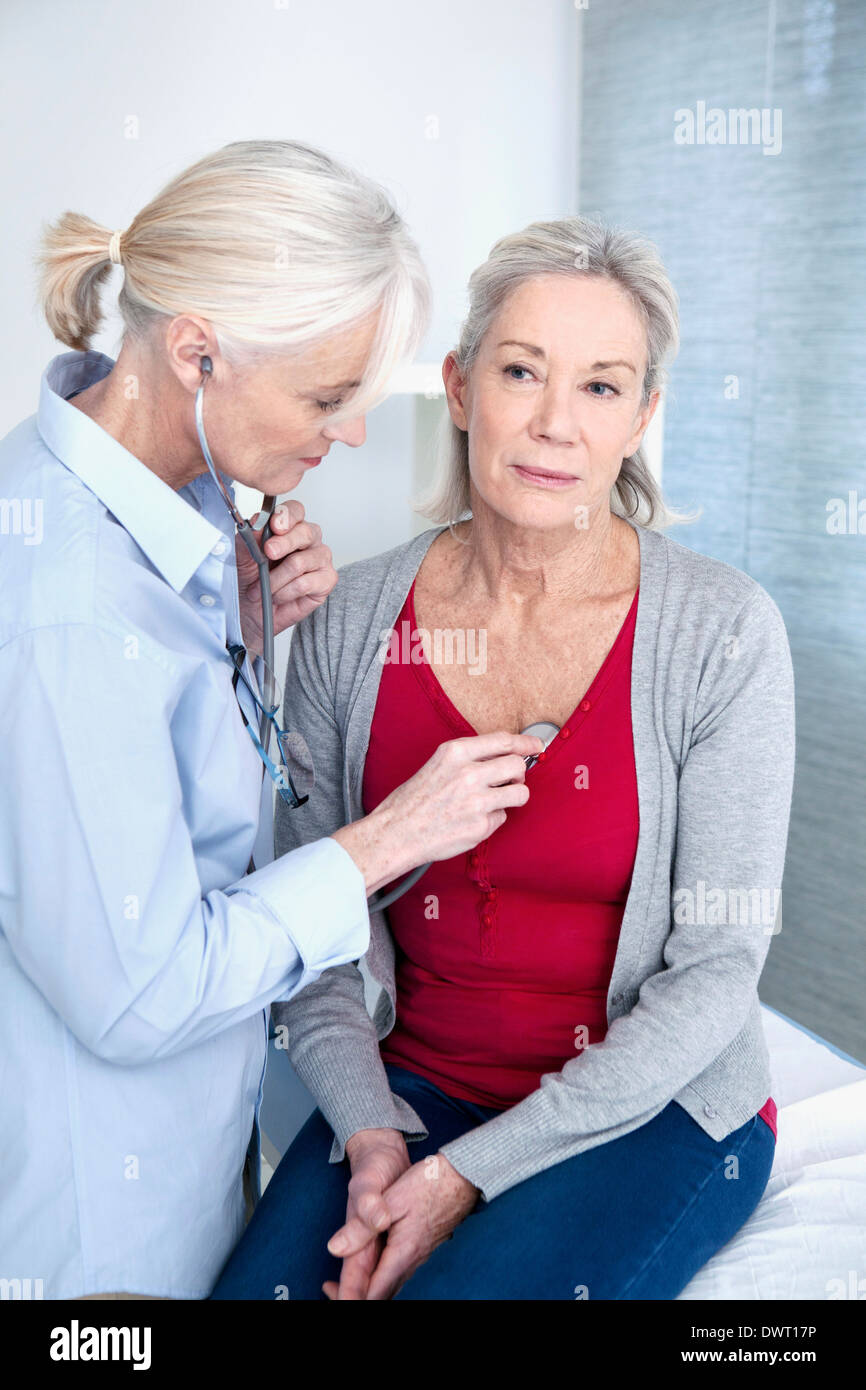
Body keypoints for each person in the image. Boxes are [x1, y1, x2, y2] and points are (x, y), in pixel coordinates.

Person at [210, 215, 795, 1301]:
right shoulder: (349, 628)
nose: (552, 424)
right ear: (463, 387)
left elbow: (716, 973)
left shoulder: (719, 632)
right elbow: (315, 928)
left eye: (601, 387)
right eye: (521, 370)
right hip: (414, 1093)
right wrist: (376, 1134)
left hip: (647, 1112)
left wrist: (465, 1177)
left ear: (643, 417)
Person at [0, 138, 541, 1301]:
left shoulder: (144, 524)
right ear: (196, 352)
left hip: (194, 1154)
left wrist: (237, 628)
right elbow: (140, 993)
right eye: (327, 397)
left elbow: (156, 803)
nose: (348, 434)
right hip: (99, 1231)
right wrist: (386, 840)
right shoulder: (71, 610)